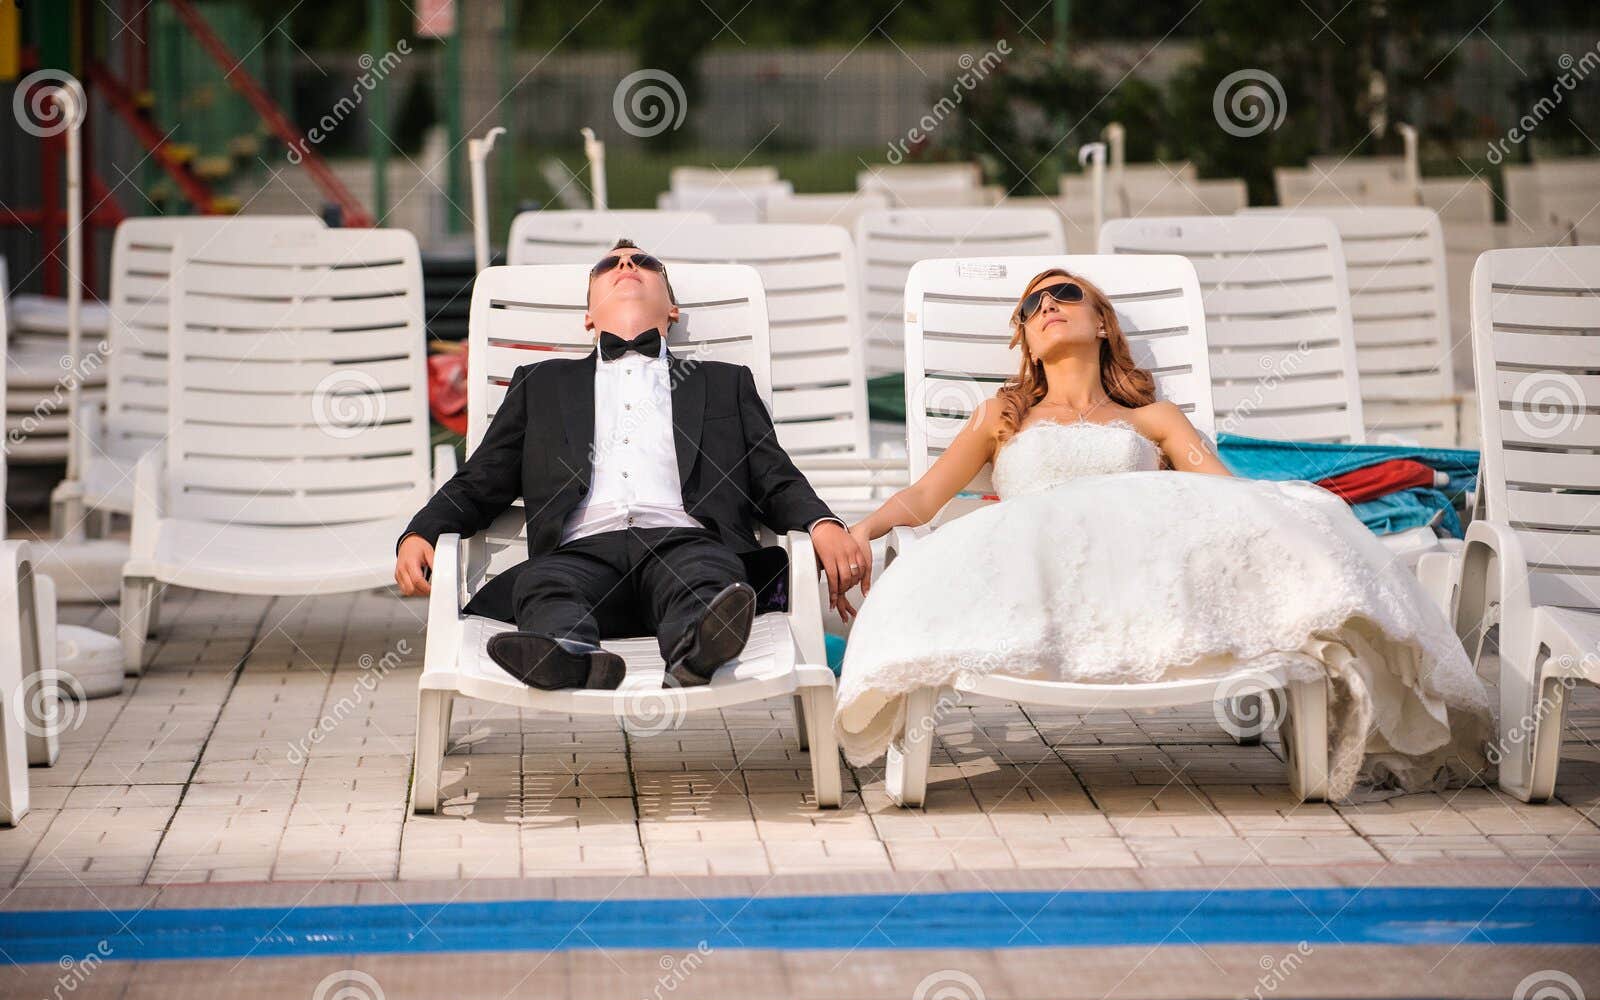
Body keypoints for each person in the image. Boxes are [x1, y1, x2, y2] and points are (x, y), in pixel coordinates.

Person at [835, 268, 1488, 799]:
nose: (1046, 306)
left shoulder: (1154, 417)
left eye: (1065, 294)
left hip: (1138, 562)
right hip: (1029, 561)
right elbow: (925, 497)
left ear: (1100, 323)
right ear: (1027, 341)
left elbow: (1226, 494)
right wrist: (861, 527)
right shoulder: (1001, 416)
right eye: (1032, 304)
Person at [396, 241, 868, 690]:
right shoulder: (541, 384)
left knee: (708, 578)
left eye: (643, 262)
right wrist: (421, 531)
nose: (625, 267)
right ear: (587, 316)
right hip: (581, 554)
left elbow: (774, 477)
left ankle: (695, 648)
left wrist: (821, 523)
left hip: (685, 543)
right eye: (608, 266)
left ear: (673, 309)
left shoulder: (724, 383)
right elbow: (482, 479)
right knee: (544, 584)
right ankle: (569, 651)